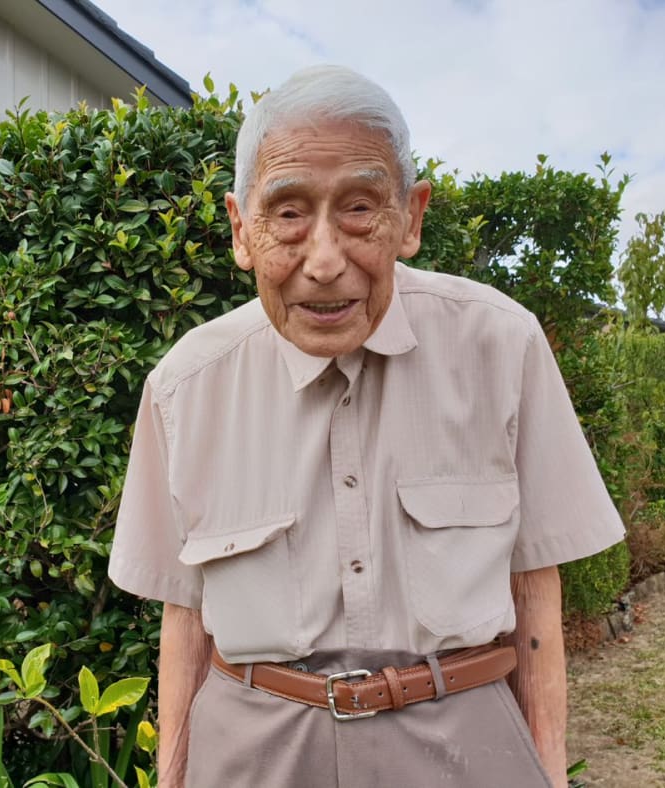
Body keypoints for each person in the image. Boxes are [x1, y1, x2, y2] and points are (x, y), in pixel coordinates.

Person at [108, 64, 624, 787]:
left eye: (359, 209)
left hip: (466, 747)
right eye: (287, 213)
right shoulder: (186, 386)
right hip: (252, 754)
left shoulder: (501, 346)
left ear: (410, 217)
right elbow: (184, 621)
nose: (323, 262)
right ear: (240, 229)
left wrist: (549, 772)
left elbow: (536, 592)